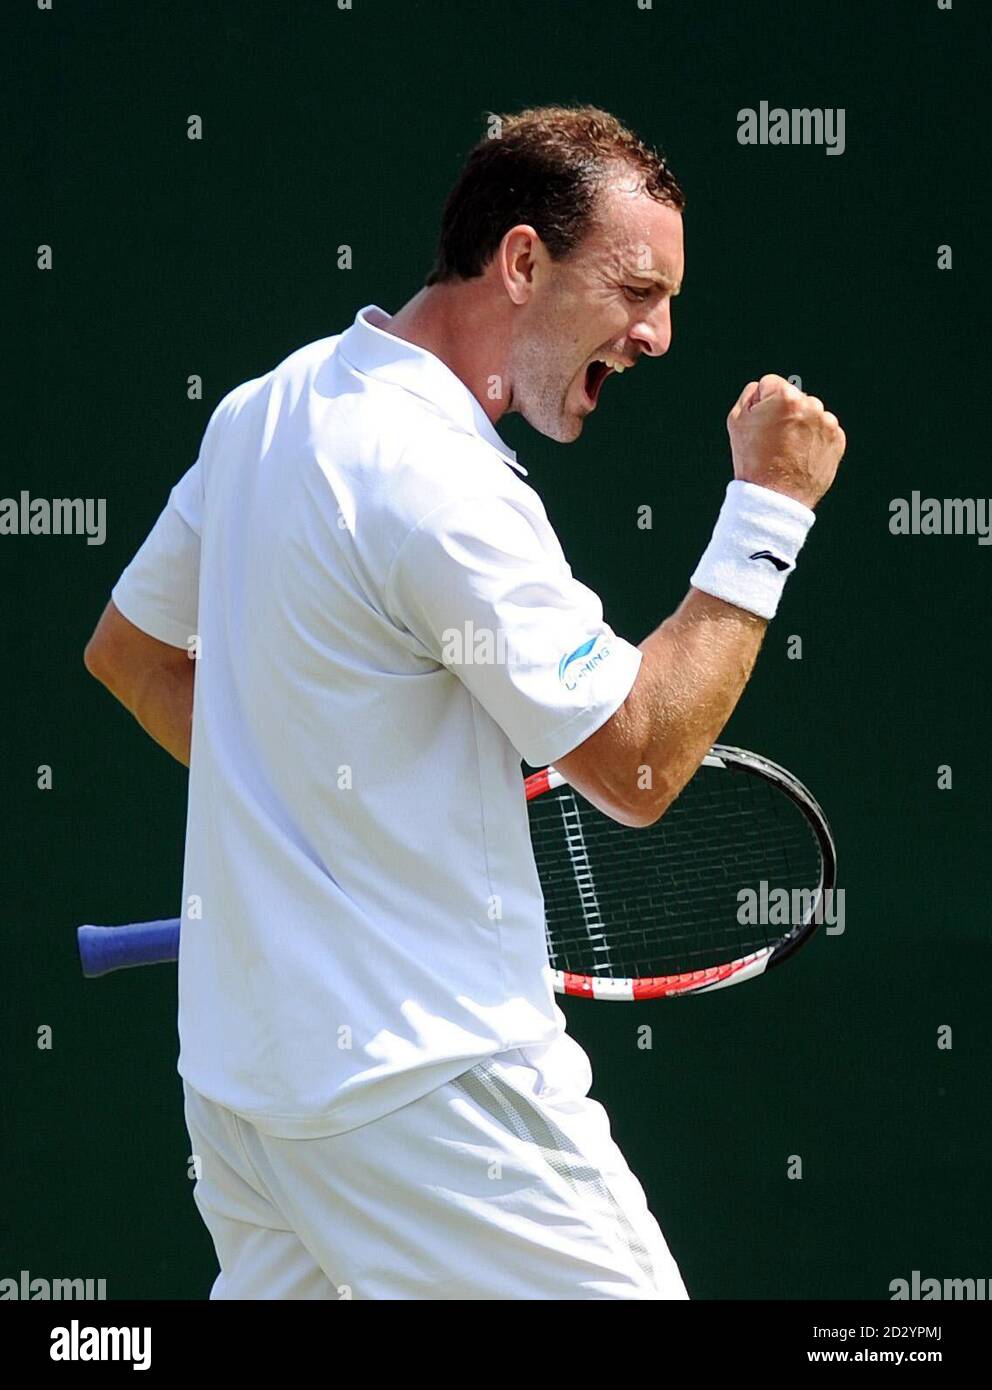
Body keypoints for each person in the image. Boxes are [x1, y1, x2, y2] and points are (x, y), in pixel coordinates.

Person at [83, 105, 845, 1300]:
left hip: (248, 1097)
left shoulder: (266, 411)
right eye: (636, 289)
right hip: (430, 1100)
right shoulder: (437, 478)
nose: (657, 335)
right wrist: (768, 514)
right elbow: (639, 764)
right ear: (524, 260)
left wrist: (318, 842)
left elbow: (129, 656)